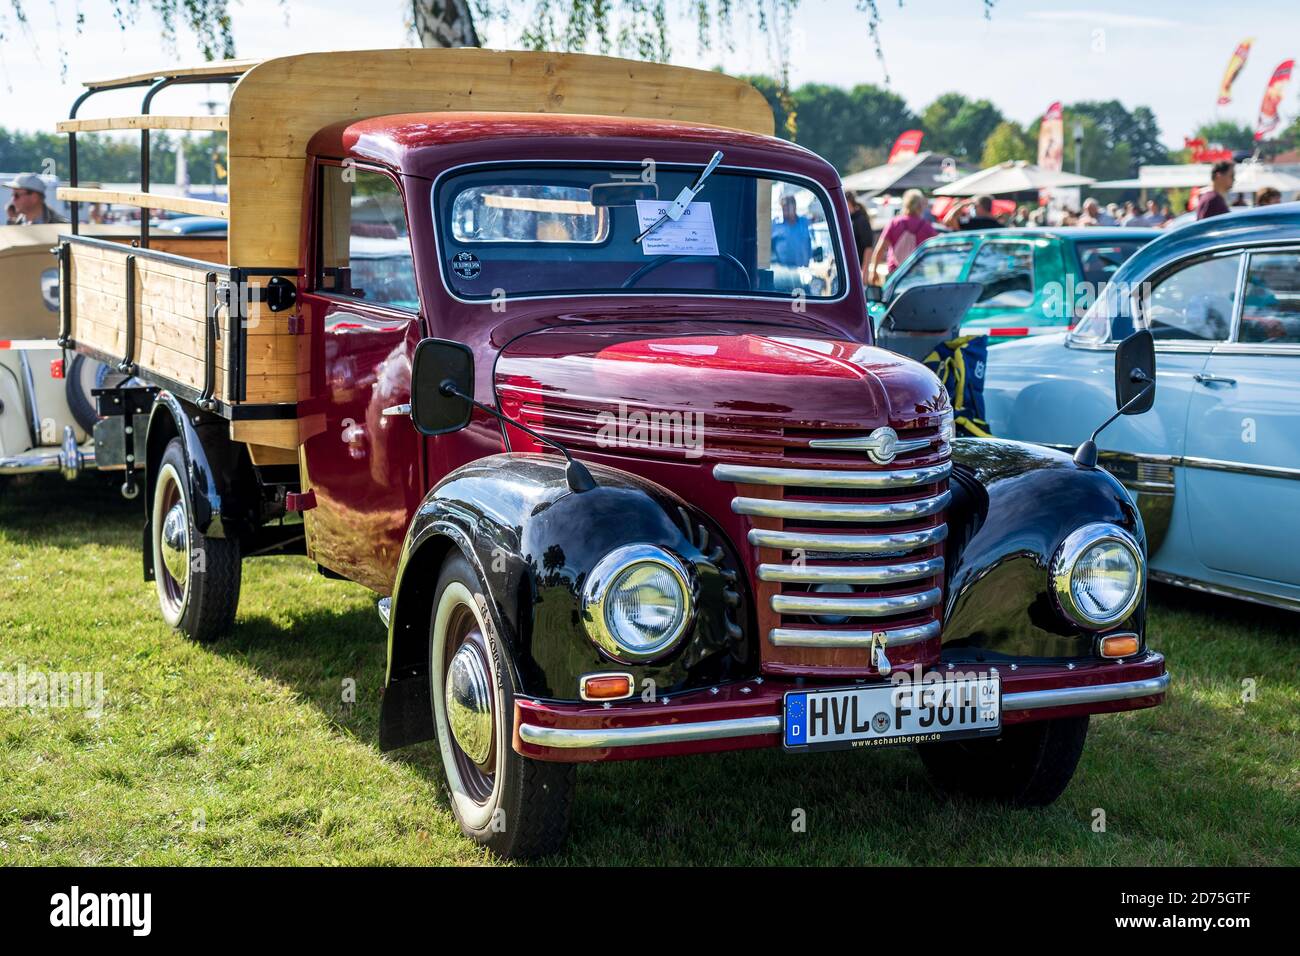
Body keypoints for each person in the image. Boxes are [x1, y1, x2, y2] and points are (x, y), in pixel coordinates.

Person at [865, 188, 936, 285]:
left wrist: (873, 272)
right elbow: (935, 251)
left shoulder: (895, 223)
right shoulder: (926, 226)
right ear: (920, 206)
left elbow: (880, 249)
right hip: (918, 273)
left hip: (895, 272)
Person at [770, 193, 813, 267]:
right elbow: (768, 249)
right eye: (783, 207)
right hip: (782, 273)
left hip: (802, 271)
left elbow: (809, 244)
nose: (784, 210)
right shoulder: (776, 225)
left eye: (787, 207)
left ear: (794, 207)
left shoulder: (803, 223)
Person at [844, 190, 875, 274]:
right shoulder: (850, 219)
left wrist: (864, 272)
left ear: (849, 202)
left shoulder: (861, 220)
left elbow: (868, 247)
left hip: (859, 269)